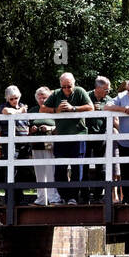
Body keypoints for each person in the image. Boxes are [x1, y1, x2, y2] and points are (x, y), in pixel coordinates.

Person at [41, 73, 93, 204]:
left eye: (69, 86)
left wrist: (73, 108)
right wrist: (56, 110)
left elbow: (90, 107)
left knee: (77, 169)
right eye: (63, 86)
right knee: (60, 169)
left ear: (74, 84)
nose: (66, 89)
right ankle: (63, 196)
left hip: (78, 135)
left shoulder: (80, 91)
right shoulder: (57, 93)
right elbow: (42, 109)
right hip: (61, 136)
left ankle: (73, 197)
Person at [28, 86, 61, 206]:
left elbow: (60, 126)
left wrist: (50, 128)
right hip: (36, 143)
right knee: (39, 171)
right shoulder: (32, 110)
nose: (42, 100)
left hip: (50, 142)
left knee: (51, 170)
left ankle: (53, 198)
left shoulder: (53, 109)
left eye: (45, 97)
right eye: (40, 97)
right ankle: (41, 198)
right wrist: (32, 129)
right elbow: (26, 126)